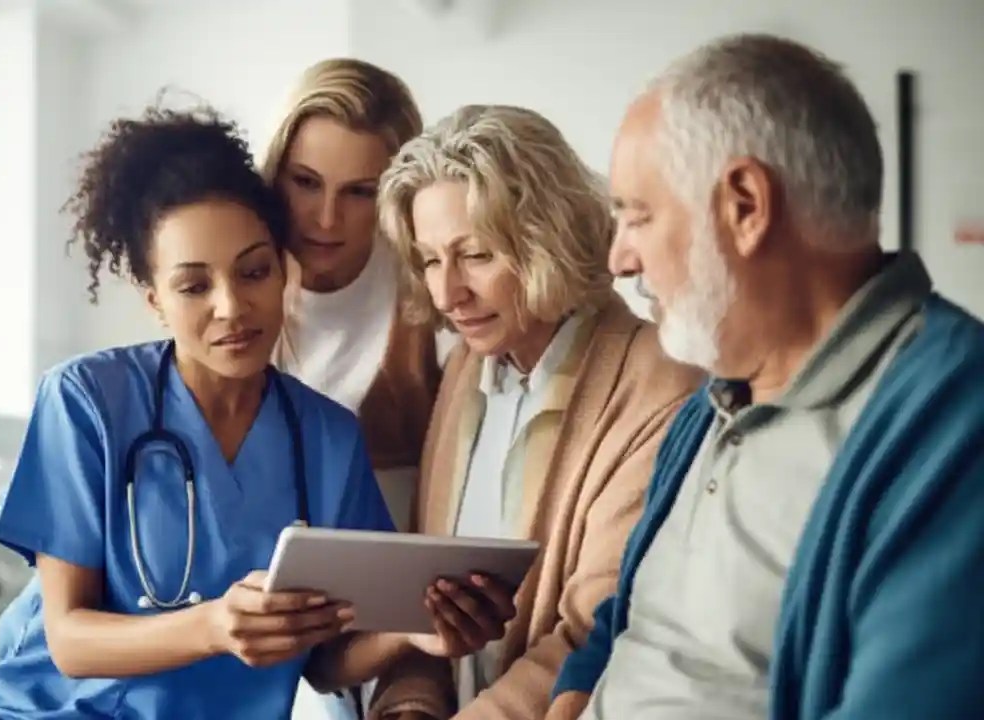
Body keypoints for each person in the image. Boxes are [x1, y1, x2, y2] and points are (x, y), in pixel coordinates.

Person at [0, 104, 476, 720]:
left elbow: (325, 659)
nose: (232, 307)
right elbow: (69, 642)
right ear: (154, 301)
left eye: (253, 271)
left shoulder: (326, 438)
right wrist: (212, 626)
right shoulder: (87, 401)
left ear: (285, 270)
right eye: (194, 286)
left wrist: (412, 634)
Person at [548, 34, 984, 720]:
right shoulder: (712, 401)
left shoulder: (953, 424)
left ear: (746, 206)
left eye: (637, 215)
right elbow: (628, 622)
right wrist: (573, 694)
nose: (619, 260)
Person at [368, 105, 703, 720]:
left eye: (475, 255)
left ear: (547, 236)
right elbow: (427, 609)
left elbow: (595, 634)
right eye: (431, 260)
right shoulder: (467, 368)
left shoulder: (662, 381)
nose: (447, 294)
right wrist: (409, 709)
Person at [263, 58, 444, 534]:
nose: (326, 219)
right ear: (275, 171)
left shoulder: (431, 294)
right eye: (305, 182)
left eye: (359, 192)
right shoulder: (234, 282)